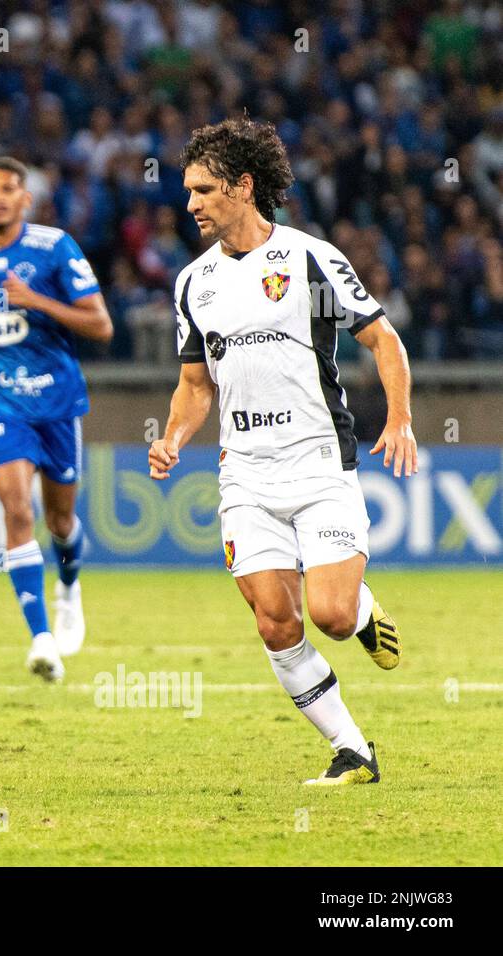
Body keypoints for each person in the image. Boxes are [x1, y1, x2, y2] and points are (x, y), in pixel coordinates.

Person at [149, 118, 413, 786]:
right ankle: (353, 751)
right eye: (187, 190)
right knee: (275, 623)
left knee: (327, 615)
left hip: (319, 462)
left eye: (204, 189)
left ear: (244, 186)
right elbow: (194, 384)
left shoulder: (308, 259)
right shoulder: (193, 283)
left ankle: (360, 611)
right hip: (244, 475)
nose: (191, 204)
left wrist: (403, 420)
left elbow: (382, 340)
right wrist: (174, 438)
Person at [0, 157, 114, 681]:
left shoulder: (54, 247)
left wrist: (37, 300)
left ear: (25, 199)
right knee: (16, 509)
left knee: (60, 521)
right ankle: (40, 639)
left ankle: (69, 587)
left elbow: (100, 324)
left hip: (56, 402)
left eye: (8, 189)